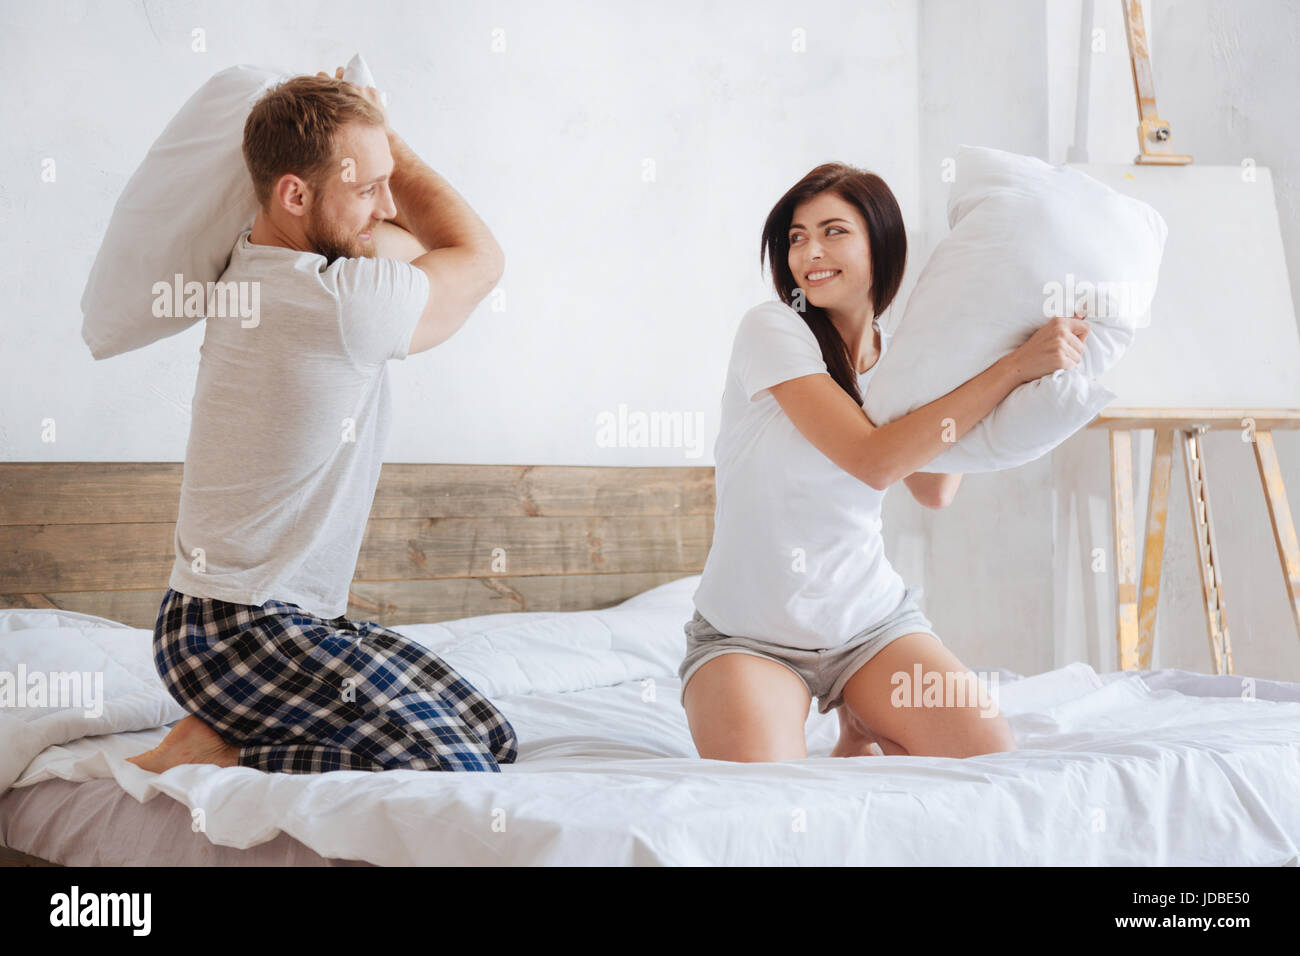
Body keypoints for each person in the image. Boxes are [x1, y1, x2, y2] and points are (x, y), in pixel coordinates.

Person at [128, 67, 515, 774]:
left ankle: (225, 735)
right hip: (234, 632)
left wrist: (368, 172)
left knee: (494, 737)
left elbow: (409, 246)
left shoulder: (264, 260)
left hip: (276, 624)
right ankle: (229, 748)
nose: (387, 207)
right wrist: (391, 136)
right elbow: (480, 259)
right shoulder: (339, 302)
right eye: (368, 189)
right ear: (295, 195)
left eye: (387, 185)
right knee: (455, 767)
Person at [679, 162, 1090, 762]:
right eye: (796, 237)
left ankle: (861, 714)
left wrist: (968, 361)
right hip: (748, 637)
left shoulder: (904, 362)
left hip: (869, 626)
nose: (810, 252)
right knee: (769, 796)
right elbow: (872, 461)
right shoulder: (772, 329)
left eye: (834, 232)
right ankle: (857, 721)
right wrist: (1012, 369)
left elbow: (934, 490)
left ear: (881, 242)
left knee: (989, 759)